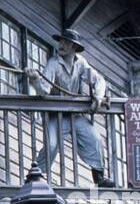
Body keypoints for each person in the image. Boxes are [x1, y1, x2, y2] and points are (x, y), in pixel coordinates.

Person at [25, 28, 116, 188]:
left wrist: (98, 95)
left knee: (94, 139)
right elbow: (44, 90)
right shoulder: (54, 63)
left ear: (74, 47)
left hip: (75, 115)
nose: (62, 45)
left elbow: (99, 80)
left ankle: (99, 177)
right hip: (57, 115)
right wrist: (35, 79)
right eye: (61, 41)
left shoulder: (81, 63)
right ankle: (33, 177)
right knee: (51, 145)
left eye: (66, 42)